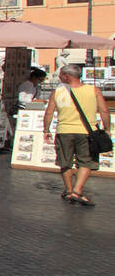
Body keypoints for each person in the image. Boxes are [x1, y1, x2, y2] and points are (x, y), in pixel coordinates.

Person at [44, 64, 109, 206]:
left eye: (61, 74)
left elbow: (49, 112)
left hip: (64, 131)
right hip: (87, 132)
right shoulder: (93, 90)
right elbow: (104, 110)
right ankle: (77, 191)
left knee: (65, 161)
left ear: (67, 76)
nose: (59, 77)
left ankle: (68, 190)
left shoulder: (58, 92)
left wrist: (46, 130)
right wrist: (107, 128)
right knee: (86, 161)